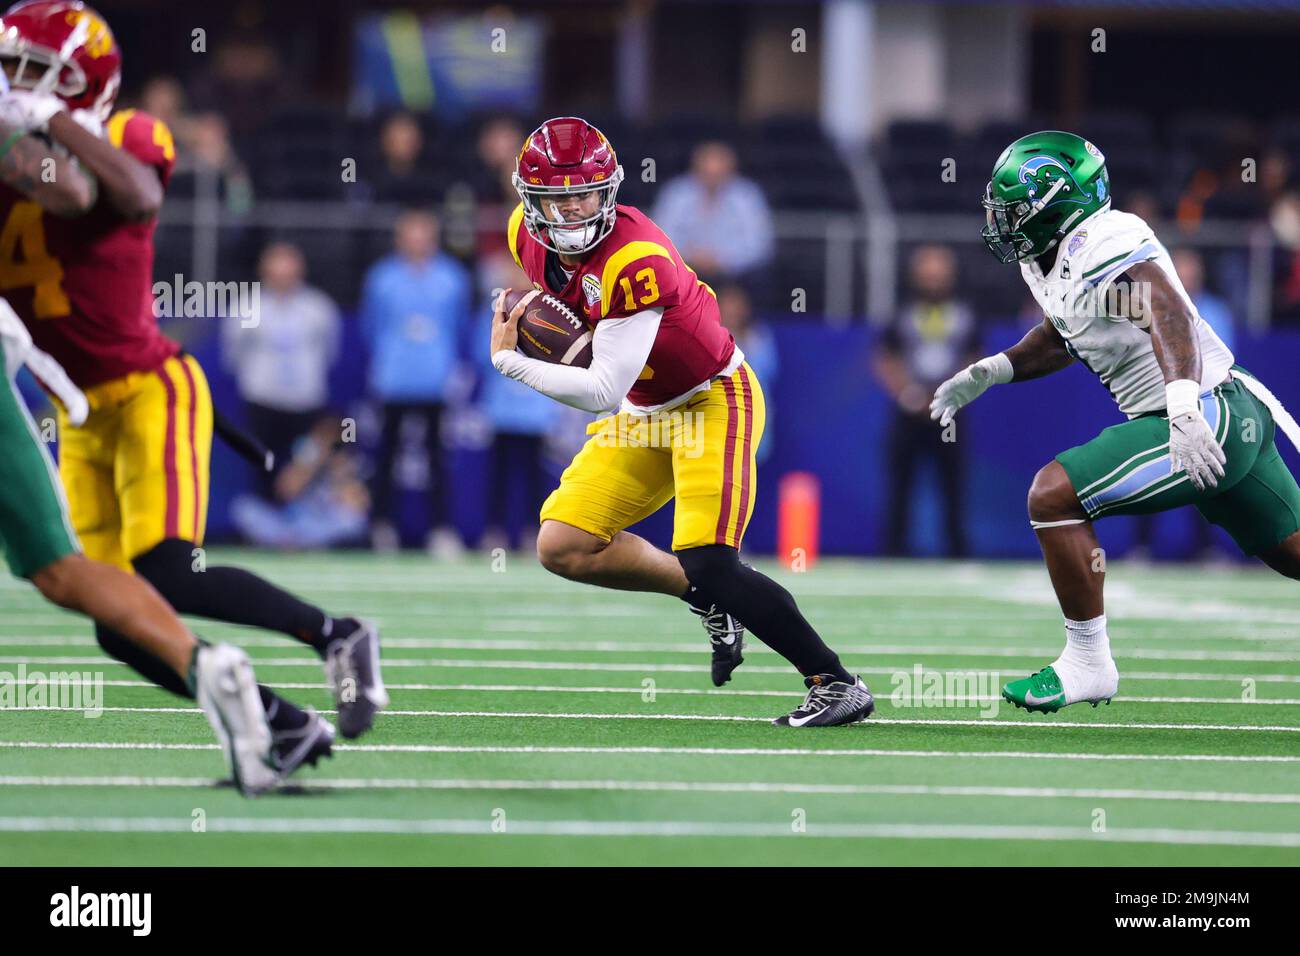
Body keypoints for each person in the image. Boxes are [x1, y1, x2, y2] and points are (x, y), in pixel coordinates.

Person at [0, 0, 386, 743]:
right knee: (116, 622)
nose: (15, 83)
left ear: (80, 82)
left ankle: (335, 632)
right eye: (9, 69)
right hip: (78, 412)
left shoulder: (127, 134)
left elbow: (138, 194)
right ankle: (280, 723)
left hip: (149, 389)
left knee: (170, 570)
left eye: (34, 72)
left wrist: (50, 116)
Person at [490, 117, 872, 725]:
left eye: (584, 195)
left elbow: (599, 389)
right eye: (556, 201)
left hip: (710, 399)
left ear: (608, 189)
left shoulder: (635, 257)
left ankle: (835, 681)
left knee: (712, 558)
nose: (572, 212)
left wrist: (512, 362)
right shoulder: (523, 237)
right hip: (647, 407)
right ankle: (699, 597)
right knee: (562, 545)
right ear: (530, 203)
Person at [934, 130, 1300, 713]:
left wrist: (1181, 406)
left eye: (1013, 211)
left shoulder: (1100, 240)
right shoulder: (1049, 260)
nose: (1002, 224)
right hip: (1226, 413)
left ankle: (1087, 662)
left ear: (1059, 203)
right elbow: (1071, 333)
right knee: (1293, 553)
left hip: (1204, 415)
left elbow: (1165, 309)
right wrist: (996, 370)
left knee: (1053, 495)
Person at [0, 298, 288, 795]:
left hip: (128, 397)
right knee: (79, 587)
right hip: (88, 405)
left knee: (104, 573)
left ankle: (220, 667)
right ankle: (226, 675)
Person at [361, 209, 471, 556]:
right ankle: (382, 527)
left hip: (435, 381)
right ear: (400, 238)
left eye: (423, 234)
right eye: (411, 234)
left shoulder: (452, 278)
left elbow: (457, 326)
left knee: (438, 459)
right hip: (393, 380)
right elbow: (371, 327)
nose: (417, 242)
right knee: (386, 456)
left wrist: (446, 367)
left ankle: (440, 530)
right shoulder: (382, 278)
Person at [873, 245, 978, 556]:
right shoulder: (902, 313)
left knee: (953, 488)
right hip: (909, 411)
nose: (933, 281)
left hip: (950, 413)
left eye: (939, 275)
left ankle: (959, 553)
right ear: (915, 276)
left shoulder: (964, 313)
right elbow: (884, 358)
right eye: (927, 275)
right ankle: (893, 552)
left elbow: (976, 357)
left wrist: (952, 392)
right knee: (900, 487)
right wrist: (907, 393)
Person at [222, 241, 341, 496]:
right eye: (277, 273)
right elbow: (232, 354)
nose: (283, 280)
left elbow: (330, 351)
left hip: (305, 402)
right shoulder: (246, 307)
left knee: (306, 463)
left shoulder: (318, 308)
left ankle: (304, 523)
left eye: (288, 273)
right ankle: (260, 521)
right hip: (262, 400)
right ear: (264, 273)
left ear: (300, 272)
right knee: (261, 465)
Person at [230, 414, 370, 550]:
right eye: (325, 435)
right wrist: (316, 458)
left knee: (352, 522)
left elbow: (358, 505)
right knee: (244, 508)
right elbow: (285, 491)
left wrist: (339, 471)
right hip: (293, 522)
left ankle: (300, 545)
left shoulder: (348, 462)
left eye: (334, 438)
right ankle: (290, 543)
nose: (329, 440)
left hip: (321, 524)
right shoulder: (307, 456)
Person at [651, 140, 774, 286]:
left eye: (719, 168)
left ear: (731, 168)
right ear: (695, 166)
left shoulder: (747, 195)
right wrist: (690, 256)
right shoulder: (675, 193)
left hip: (734, 277)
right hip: (682, 272)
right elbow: (658, 238)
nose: (713, 173)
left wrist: (721, 260)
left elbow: (759, 246)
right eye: (707, 169)